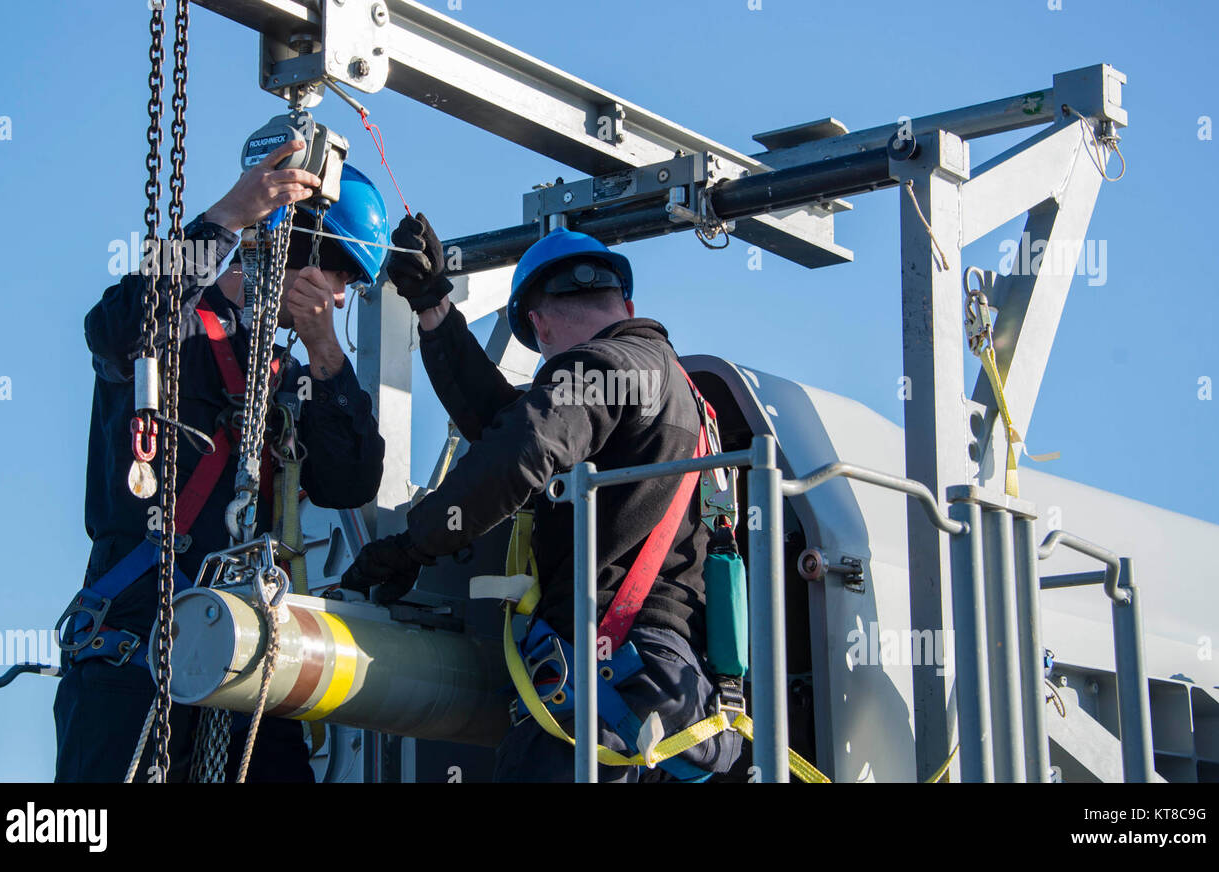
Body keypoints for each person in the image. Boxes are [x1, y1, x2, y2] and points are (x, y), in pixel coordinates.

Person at [340, 216, 743, 782]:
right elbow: (512, 424)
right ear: (622, 304)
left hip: (607, 682)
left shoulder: (602, 366)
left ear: (539, 326)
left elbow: (524, 448)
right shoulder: (680, 394)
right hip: (673, 697)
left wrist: (412, 546)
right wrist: (435, 311)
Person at [54, 141, 387, 782]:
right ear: (299, 244)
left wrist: (324, 350)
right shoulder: (172, 332)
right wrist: (234, 214)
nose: (341, 299)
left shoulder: (290, 376)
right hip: (135, 645)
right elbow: (117, 325)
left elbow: (350, 480)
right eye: (341, 275)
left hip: (245, 661)